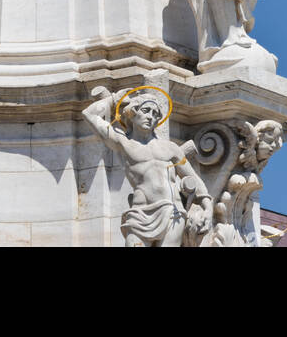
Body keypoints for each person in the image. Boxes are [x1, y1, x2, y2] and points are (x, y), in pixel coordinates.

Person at [82, 86, 211, 247]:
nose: (150, 116)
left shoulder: (171, 148)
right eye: (146, 110)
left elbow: (194, 180)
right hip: (139, 215)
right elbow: (89, 114)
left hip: (173, 214)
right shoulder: (123, 143)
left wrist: (208, 209)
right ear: (133, 112)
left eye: (155, 114)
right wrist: (114, 99)